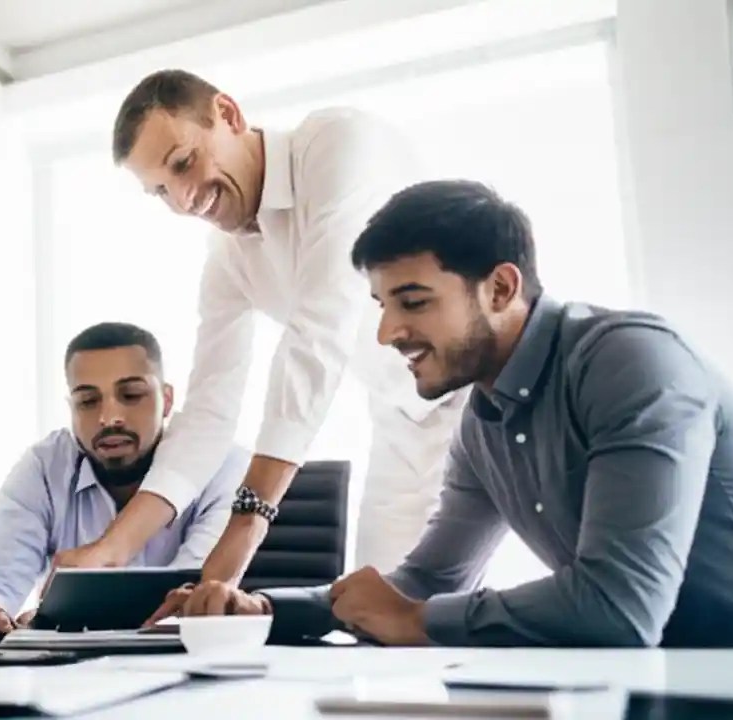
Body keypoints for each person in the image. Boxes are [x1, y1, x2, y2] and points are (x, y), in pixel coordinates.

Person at [163, 180, 733, 648]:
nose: (387, 332)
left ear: (500, 289)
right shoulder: (482, 422)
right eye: (382, 304)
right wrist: (263, 608)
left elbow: (620, 605)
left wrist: (420, 620)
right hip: (665, 678)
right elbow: (428, 579)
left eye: (413, 302)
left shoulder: (630, 362)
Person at [54, 69, 464, 603]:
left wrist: (248, 524)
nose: (183, 201)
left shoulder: (337, 146)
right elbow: (207, 414)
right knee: (375, 617)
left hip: (483, 399)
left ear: (228, 114)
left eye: (184, 163)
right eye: (160, 191)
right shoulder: (227, 261)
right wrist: (111, 550)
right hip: (404, 425)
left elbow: (319, 334)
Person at [0, 322, 247, 646]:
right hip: (69, 678)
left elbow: (190, 598)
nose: (109, 417)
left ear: (167, 400)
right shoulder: (44, 469)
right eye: (88, 401)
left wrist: (64, 618)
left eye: (131, 395)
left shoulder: (224, 465)